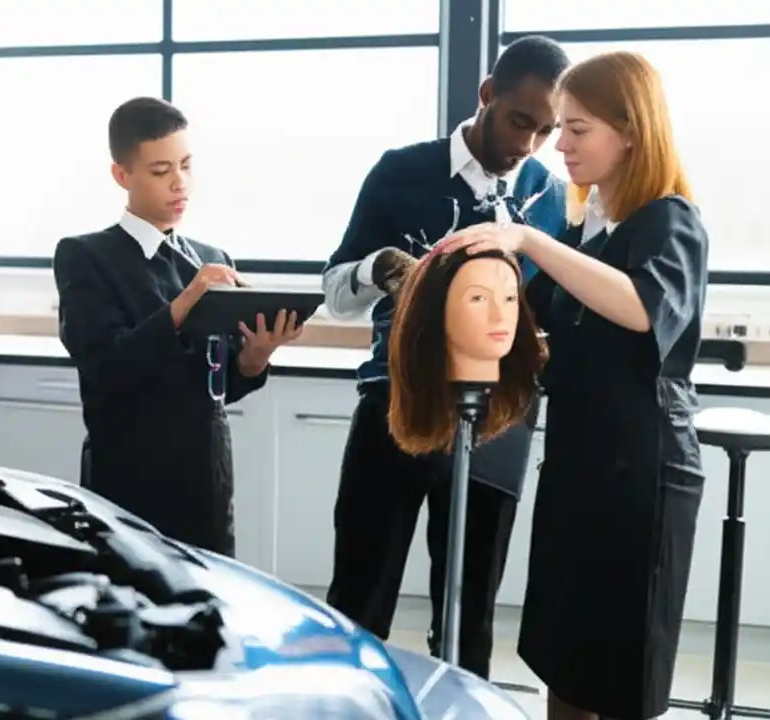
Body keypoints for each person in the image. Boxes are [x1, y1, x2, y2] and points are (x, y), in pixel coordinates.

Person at [446, 51, 708, 720]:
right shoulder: (587, 231)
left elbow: (643, 308)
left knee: (616, 670)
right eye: (560, 127)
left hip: (639, 477)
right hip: (577, 467)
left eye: (577, 128)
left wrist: (529, 242)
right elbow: (547, 329)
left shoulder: (669, 221)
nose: (558, 144)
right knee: (564, 659)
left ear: (632, 131)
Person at [319, 35, 572, 678]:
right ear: (487, 95)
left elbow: (550, 309)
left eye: (547, 131)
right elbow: (335, 292)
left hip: (501, 416)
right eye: (520, 121)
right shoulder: (400, 172)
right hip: (396, 400)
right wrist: (378, 269)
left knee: (471, 612)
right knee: (360, 595)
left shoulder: (549, 194)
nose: (529, 144)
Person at [53, 97, 302, 555]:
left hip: (207, 480)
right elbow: (108, 367)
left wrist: (255, 356)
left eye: (186, 166)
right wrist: (187, 300)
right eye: (160, 170)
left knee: (211, 592)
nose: (179, 183)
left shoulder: (212, 258)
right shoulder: (85, 256)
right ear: (122, 175)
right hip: (127, 479)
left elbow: (218, 385)